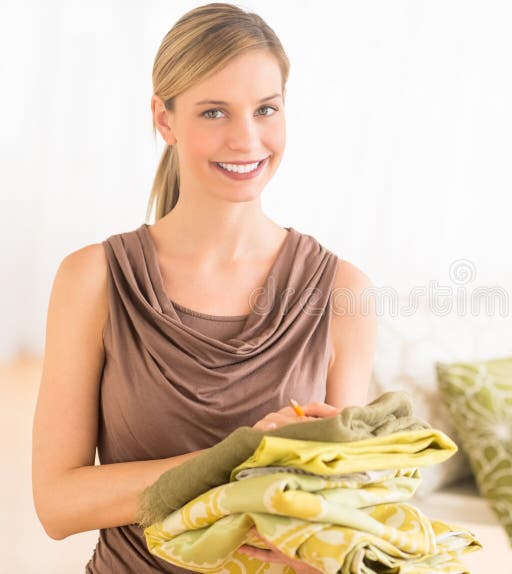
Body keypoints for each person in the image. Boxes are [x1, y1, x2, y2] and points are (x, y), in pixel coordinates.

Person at [31, 3, 378, 572]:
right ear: (164, 120)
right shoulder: (92, 278)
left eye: (266, 109)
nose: (247, 139)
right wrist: (238, 458)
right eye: (214, 112)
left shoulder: (344, 291)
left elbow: (344, 510)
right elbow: (57, 504)